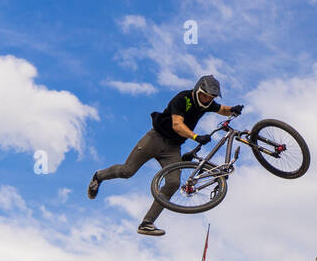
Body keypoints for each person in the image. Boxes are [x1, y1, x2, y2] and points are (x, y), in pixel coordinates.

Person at [87, 75, 243, 236]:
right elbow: (177, 124)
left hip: (173, 149)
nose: (206, 100)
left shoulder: (207, 103)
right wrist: (196, 137)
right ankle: (99, 176)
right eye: (204, 96)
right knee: (127, 171)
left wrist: (233, 109)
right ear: (198, 90)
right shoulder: (182, 98)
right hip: (155, 139)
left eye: (210, 98)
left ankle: (147, 223)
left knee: (173, 182)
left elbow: (222, 109)